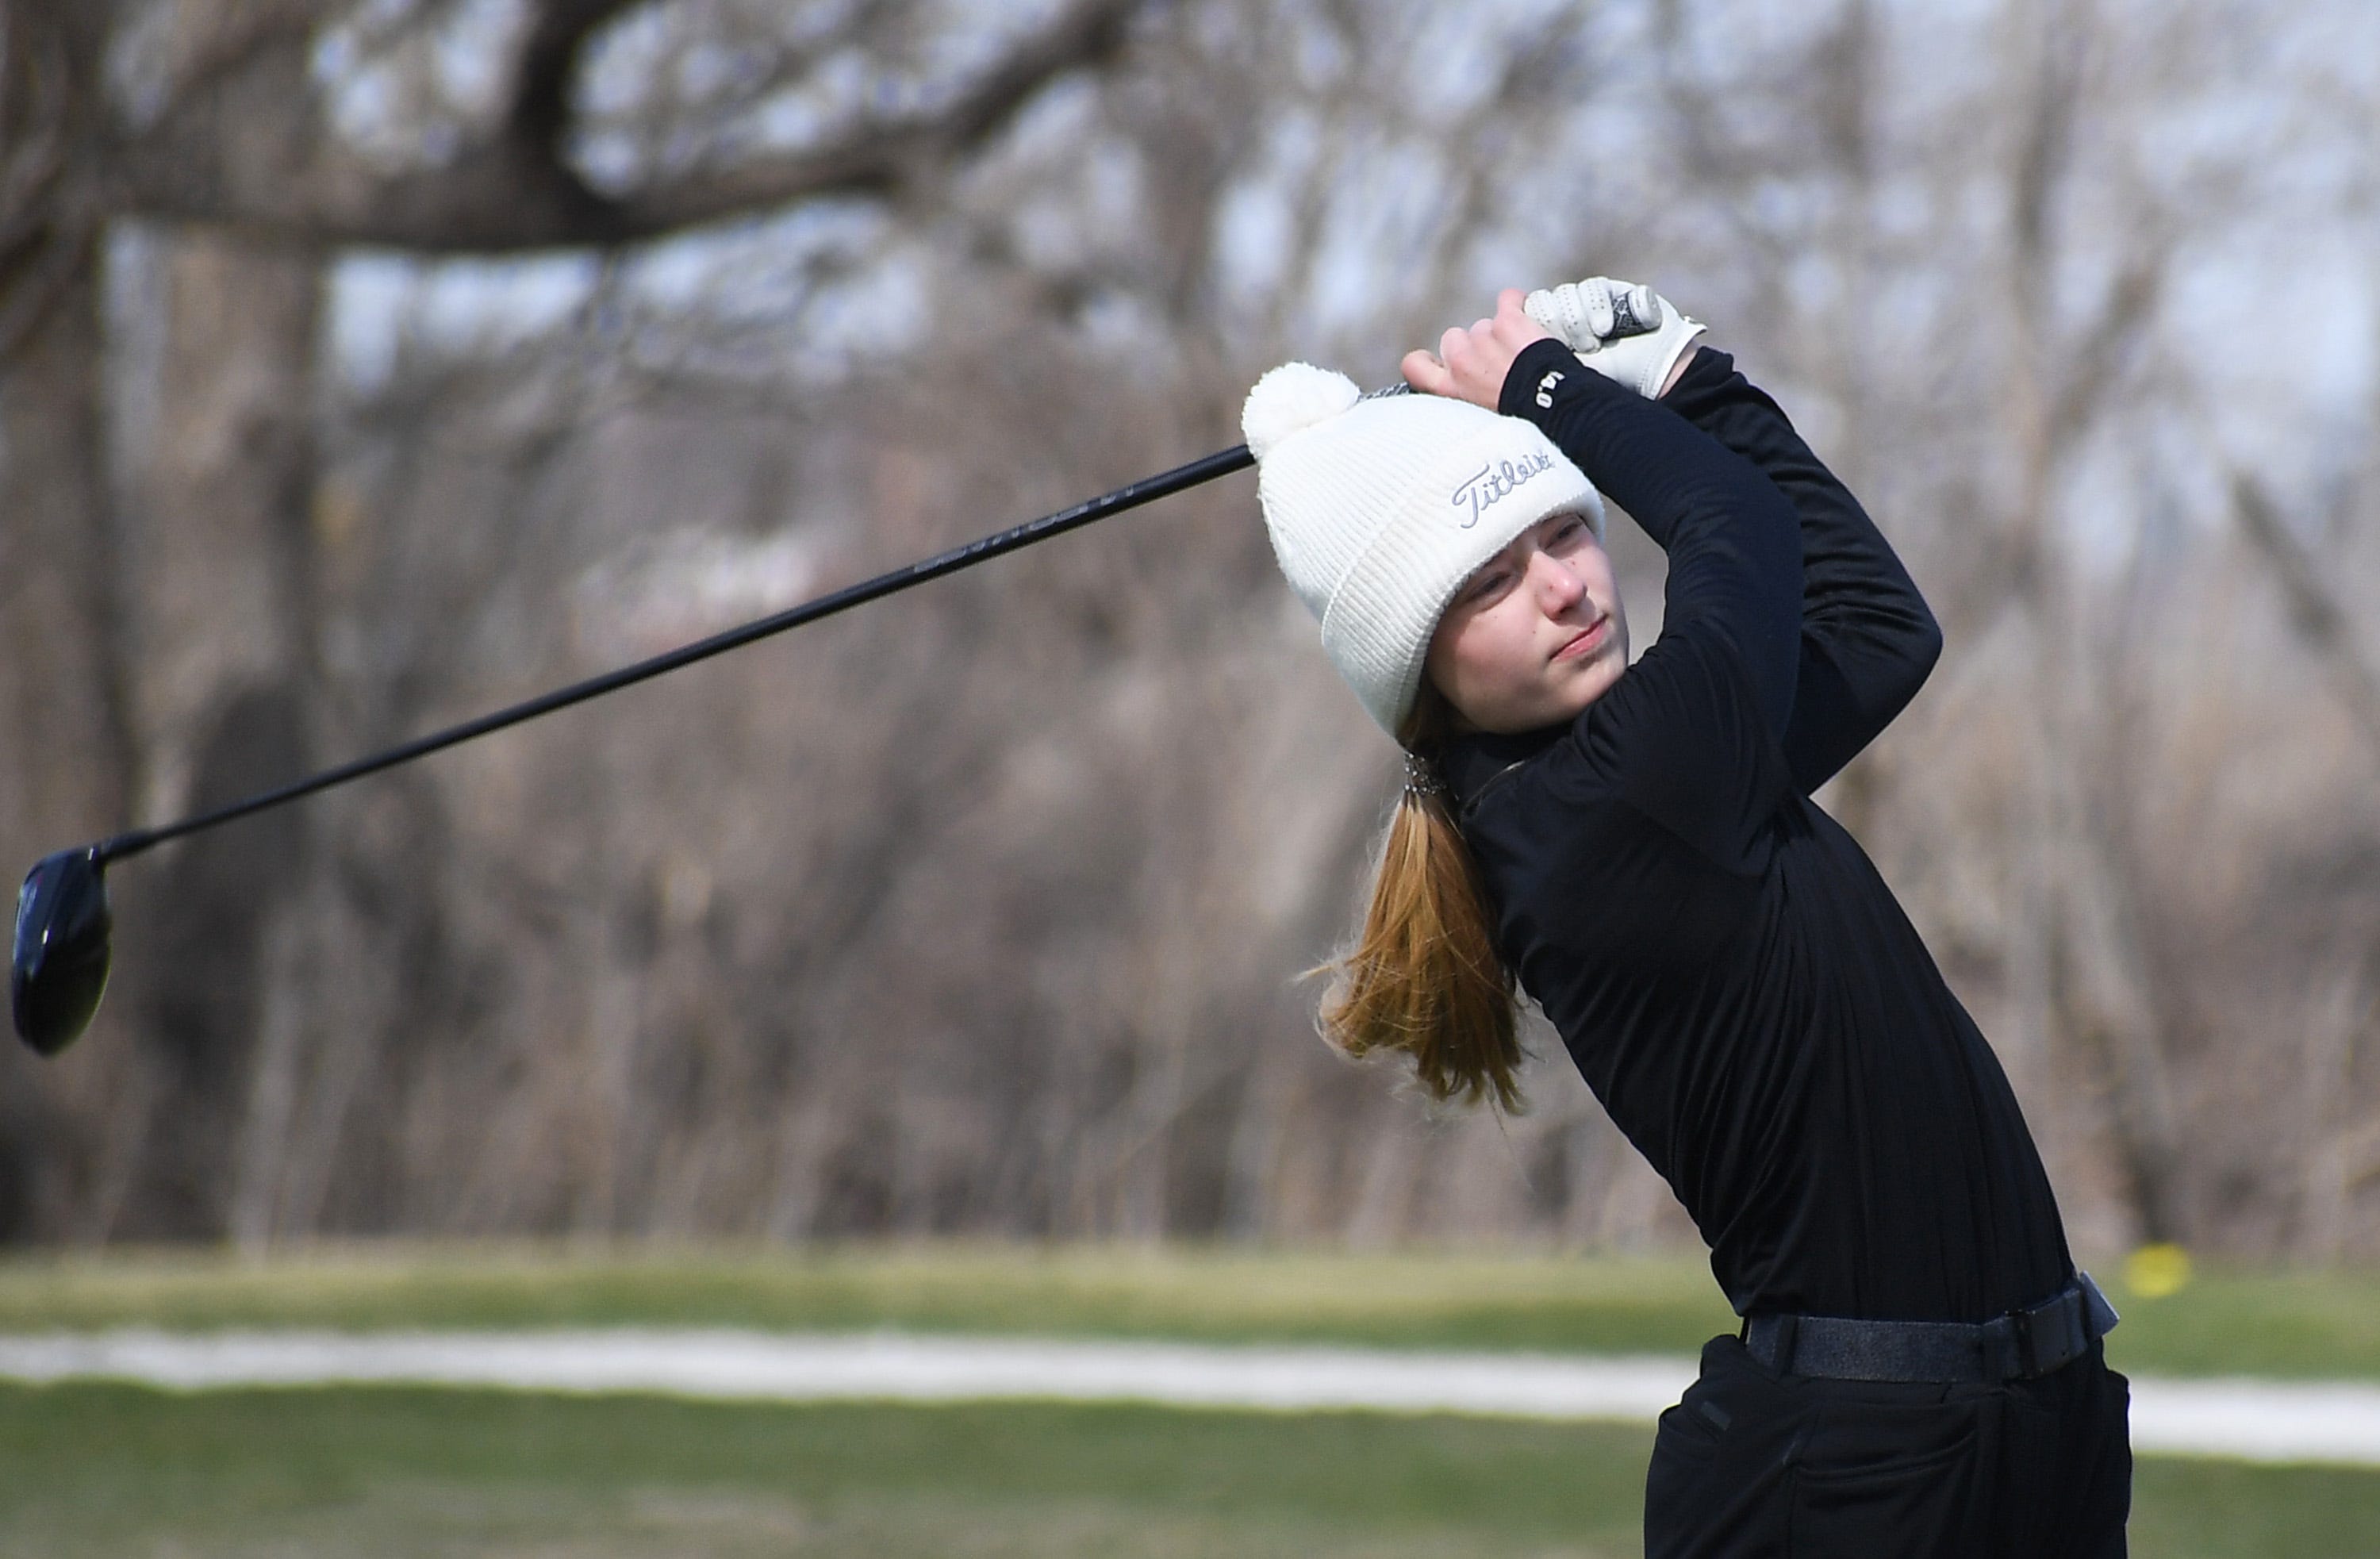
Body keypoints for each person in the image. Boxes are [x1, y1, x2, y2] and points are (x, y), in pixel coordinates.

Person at [1241, 278, 2132, 1557]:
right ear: (1418, 667)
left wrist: (1692, 382)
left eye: (1562, 533)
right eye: (1490, 582)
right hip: (1859, 1472)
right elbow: (1739, 527)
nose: (1564, 588)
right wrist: (1557, 387)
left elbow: (1879, 630)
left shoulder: (1661, 774)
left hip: (2022, 1430)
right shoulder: (1611, 806)